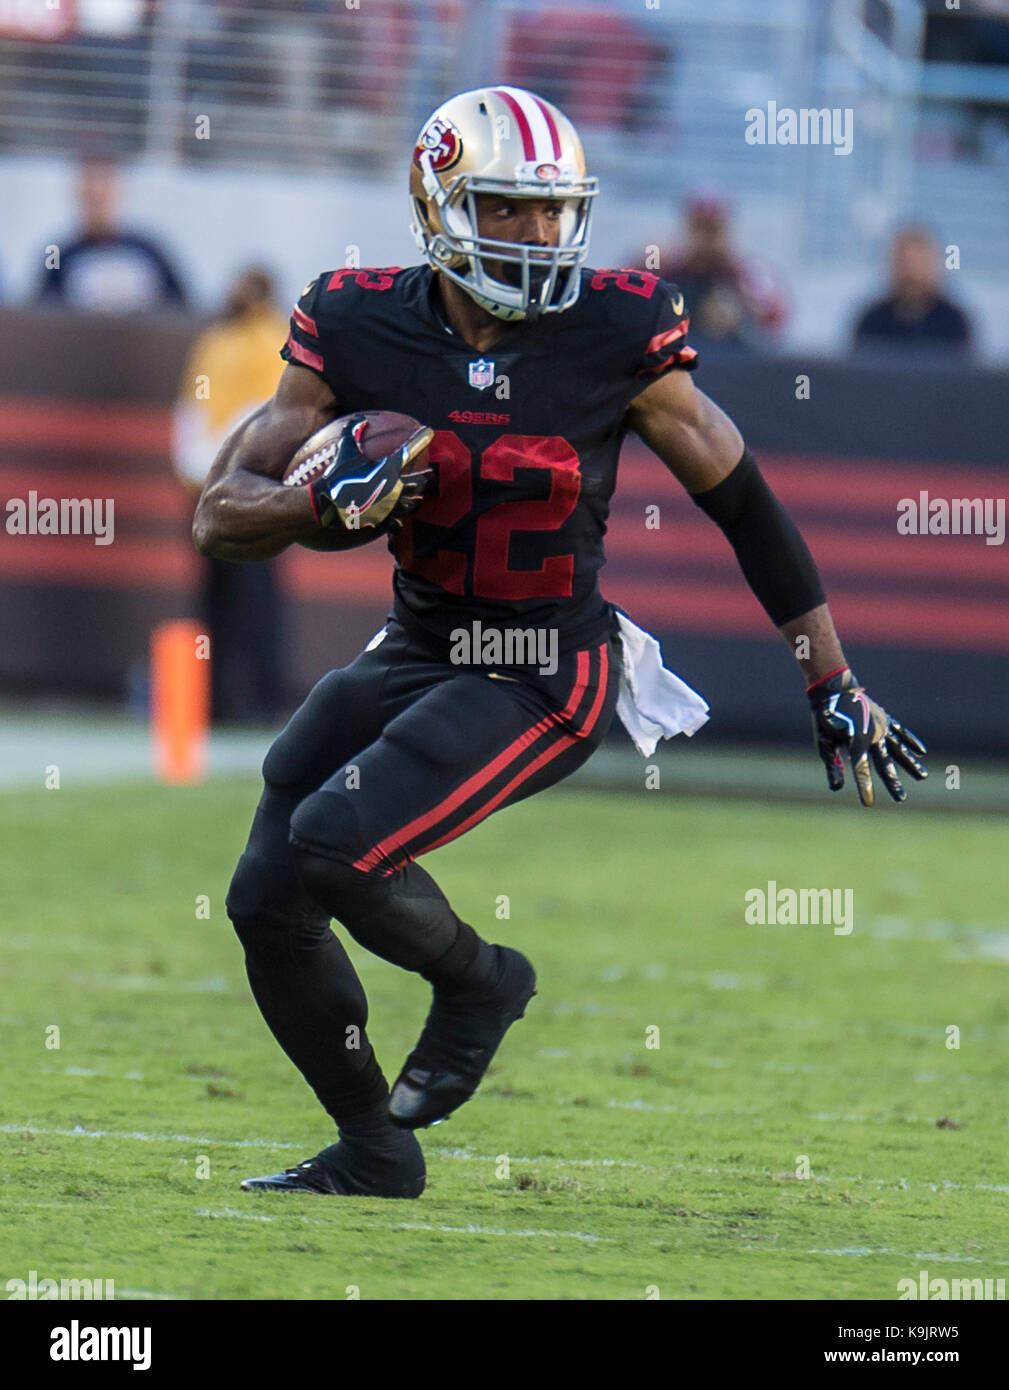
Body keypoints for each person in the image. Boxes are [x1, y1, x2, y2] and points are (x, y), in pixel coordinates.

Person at [192, 86, 927, 1200]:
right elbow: (219, 510)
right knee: (263, 893)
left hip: (548, 668)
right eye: (508, 208)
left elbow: (744, 502)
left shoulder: (616, 329)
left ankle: (483, 982)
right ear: (437, 204)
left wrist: (829, 674)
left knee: (337, 840)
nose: (538, 236)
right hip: (420, 645)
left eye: (553, 212)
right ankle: (375, 1146)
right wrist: (317, 508)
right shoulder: (354, 321)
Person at [173, 267, 289, 724]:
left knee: (256, 595)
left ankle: (261, 698)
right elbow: (193, 408)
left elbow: (262, 416)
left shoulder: (274, 341)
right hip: (206, 489)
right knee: (215, 597)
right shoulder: (214, 342)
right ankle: (216, 700)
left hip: (253, 490)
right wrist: (196, 466)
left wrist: (223, 465)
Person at [634, 193, 787, 350]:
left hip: (731, 364)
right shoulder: (663, 267)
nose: (705, 239)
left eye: (713, 229)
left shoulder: (746, 273)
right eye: (698, 228)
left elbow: (774, 322)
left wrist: (741, 314)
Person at [37, 157, 188, 312]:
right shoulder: (59, 255)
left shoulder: (149, 252)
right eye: (91, 195)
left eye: (104, 192)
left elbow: (181, 308)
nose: (98, 200)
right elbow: (42, 312)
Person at [853, 226, 972, 355]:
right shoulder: (872, 321)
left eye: (919, 263)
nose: (912, 272)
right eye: (905, 263)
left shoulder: (953, 322)